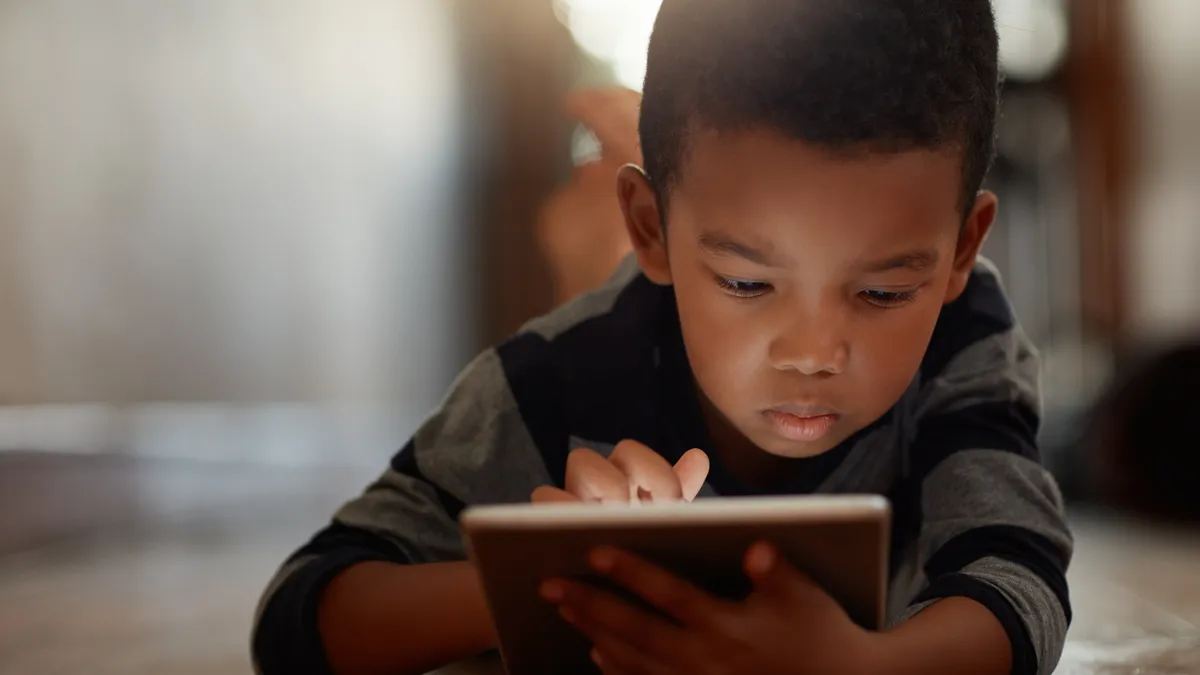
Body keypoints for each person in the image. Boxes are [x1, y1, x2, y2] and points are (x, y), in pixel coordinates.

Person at [252, 1, 1073, 674]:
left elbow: (1017, 584)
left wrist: (856, 667)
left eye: (884, 290)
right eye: (748, 283)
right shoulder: (553, 380)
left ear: (965, 246)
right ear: (649, 227)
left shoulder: (964, 342)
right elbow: (302, 617)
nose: (813, 352)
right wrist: (559, 576)